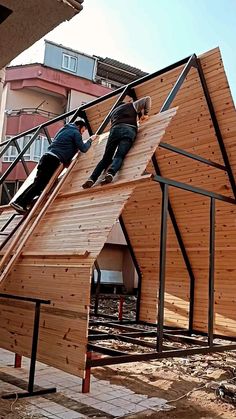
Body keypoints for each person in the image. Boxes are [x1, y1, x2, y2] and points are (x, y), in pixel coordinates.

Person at [11, 120, 96, 214]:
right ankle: (21, 203)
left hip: (46, 157)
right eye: (83, 130)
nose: (82, 133)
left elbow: (63, 145)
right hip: (53, 160)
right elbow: (83, 148)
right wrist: (90, 140)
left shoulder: (63, 130)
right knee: (40, 184)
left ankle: (19, 202)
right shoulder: (75, 132)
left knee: (38, 183)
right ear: (79, 126)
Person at [82, 95, 151, 189]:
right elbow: (147, 99)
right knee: (119, 155)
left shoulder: (113, 112)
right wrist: (145, 114)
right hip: (128, 130)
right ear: (124, 104)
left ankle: (91, 179)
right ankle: (110, 173)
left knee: (105, 158)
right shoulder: (131, 105)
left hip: (114, 131)